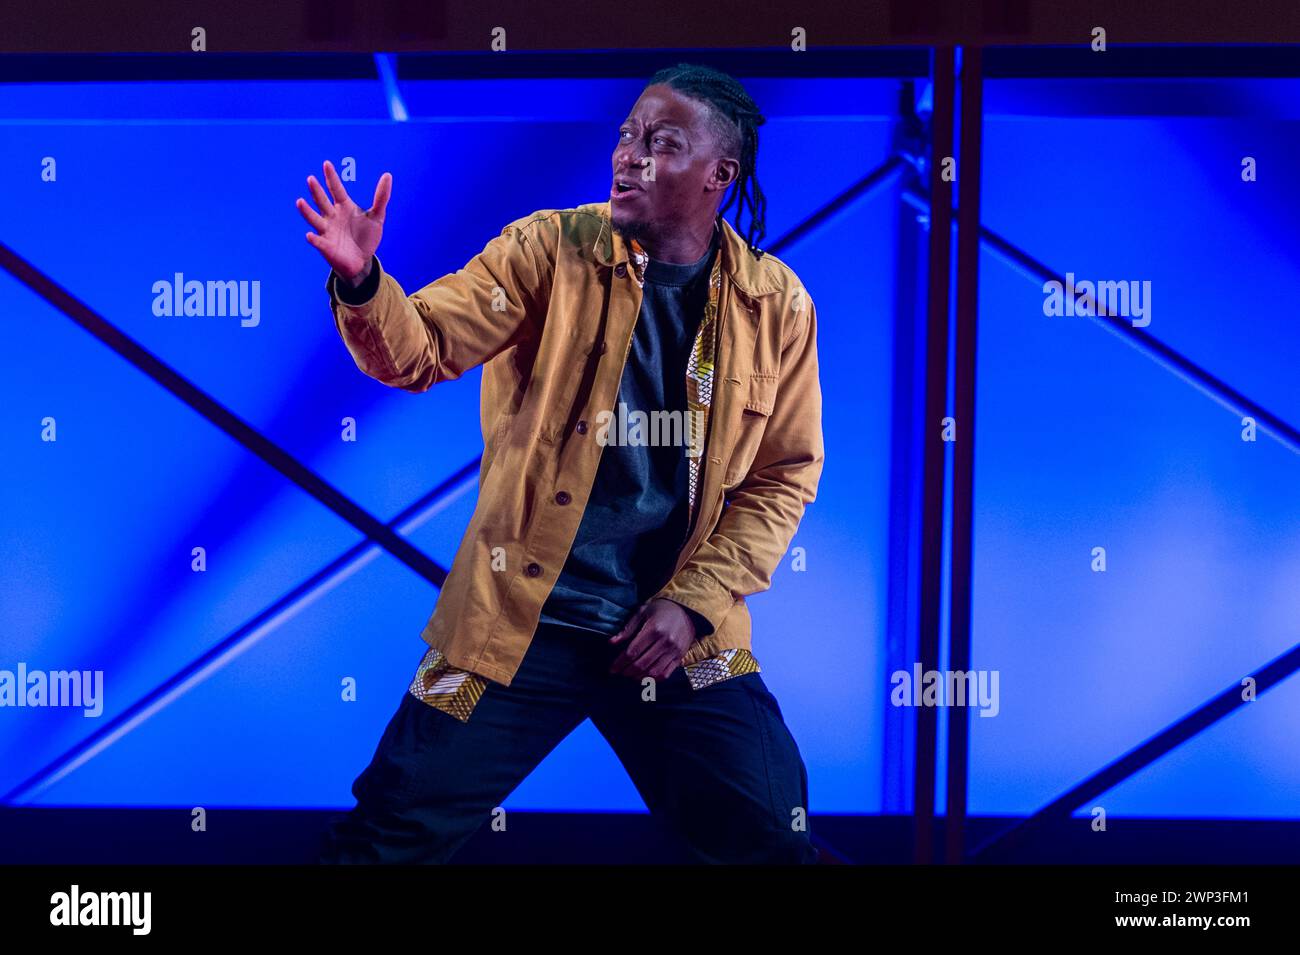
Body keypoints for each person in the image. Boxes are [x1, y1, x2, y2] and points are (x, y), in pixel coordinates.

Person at [297, 63, 825, 864]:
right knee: (386, 834)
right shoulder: (550, 250)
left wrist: (693, 602)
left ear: (721, 175)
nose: (629, 155)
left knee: (772, 831)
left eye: (662, 143)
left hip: (677, 632)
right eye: (627, 136)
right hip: (518, 621)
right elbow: (424, 346)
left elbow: (784, 476)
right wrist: (365, 282)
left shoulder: (778, 305)